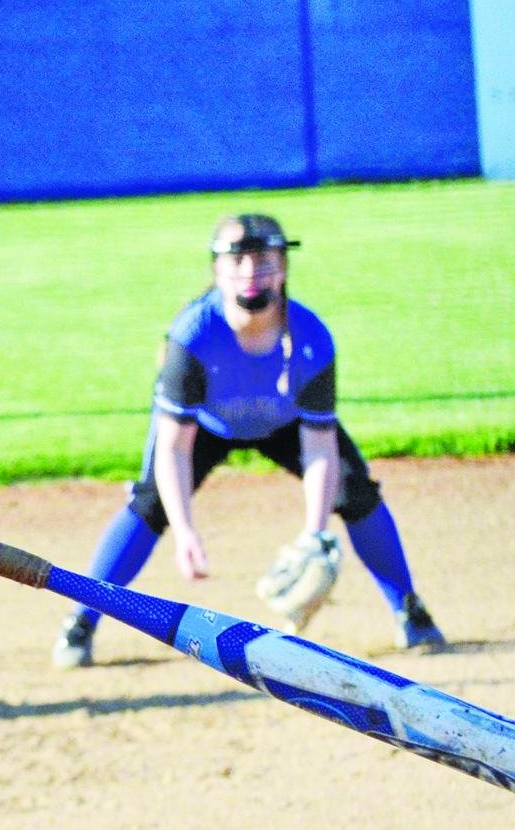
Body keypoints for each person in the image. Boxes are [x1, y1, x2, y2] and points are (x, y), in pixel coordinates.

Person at [52, 211, 444, 669]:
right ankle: (81, 620)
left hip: (284, 423)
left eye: (264, 259)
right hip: (207, 425)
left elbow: (319, 448)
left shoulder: (312, 338)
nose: (250, 271)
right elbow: (174, 447)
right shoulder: (192, 336)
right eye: (236, 259)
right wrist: (185, 531)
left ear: (284, 266)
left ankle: (409, 609)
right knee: (150, 504)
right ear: (216, 268)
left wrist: (315, 535)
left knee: (355, 492)